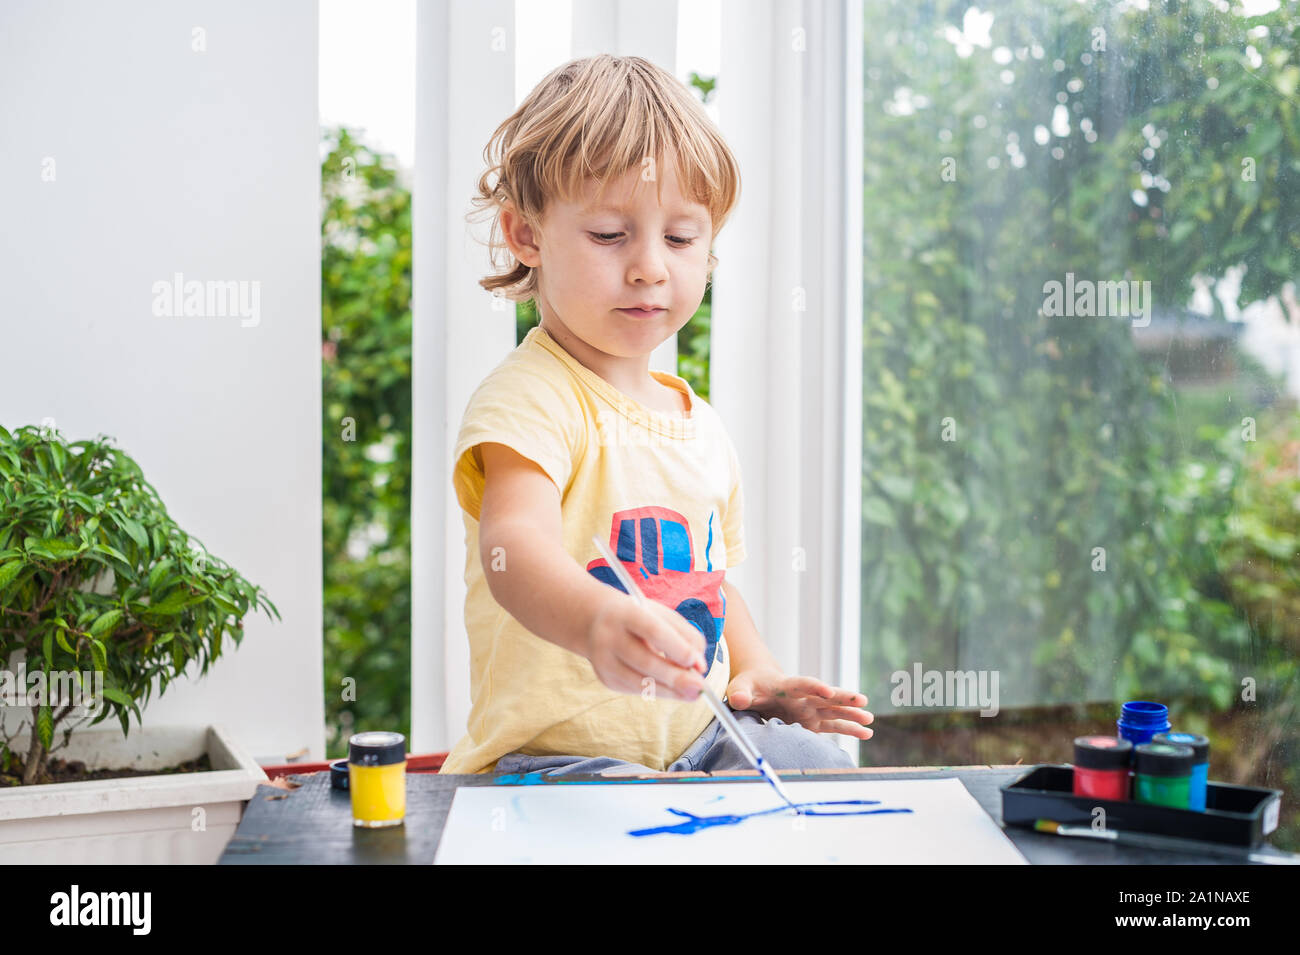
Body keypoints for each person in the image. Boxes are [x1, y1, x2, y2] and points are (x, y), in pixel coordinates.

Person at [439, 54, 872, 777]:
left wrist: (757, 671)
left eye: (679, 238)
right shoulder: (530, 396)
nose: (649, 267)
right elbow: (514, 548)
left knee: (820, 768)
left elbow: (709, 581)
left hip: (700, 741)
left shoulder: (699, 424)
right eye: (610, 235)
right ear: (526, 235)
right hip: (553, 760)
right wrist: (595, 620)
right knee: (630, 816)